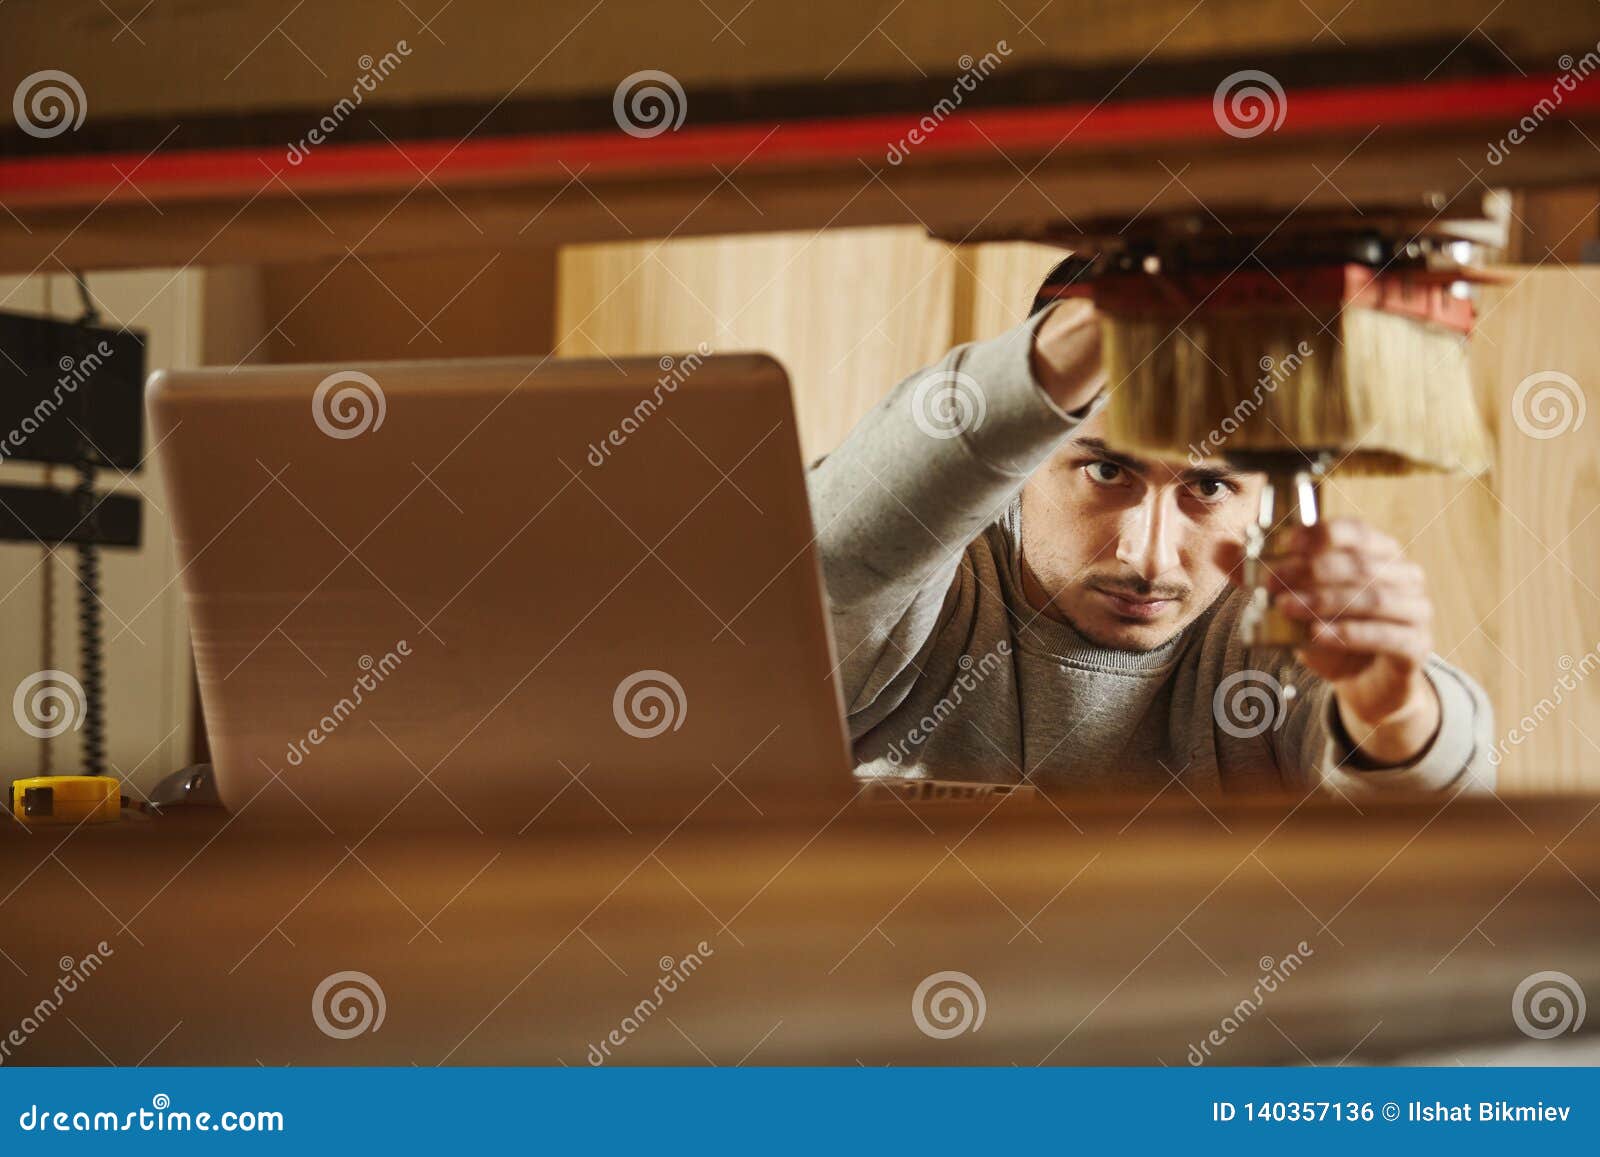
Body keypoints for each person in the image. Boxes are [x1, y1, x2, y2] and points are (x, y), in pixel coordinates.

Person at [806, 292, 1494, 795]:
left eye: (1209, 489)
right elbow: (838, 543)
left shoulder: (1271, 642)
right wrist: (1118, 308)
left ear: (1269, 494)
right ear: (1025, 457)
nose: (1148, 556)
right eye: (1107, 471)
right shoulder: (919, 602)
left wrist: (1392, 711)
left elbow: (1436, 836)